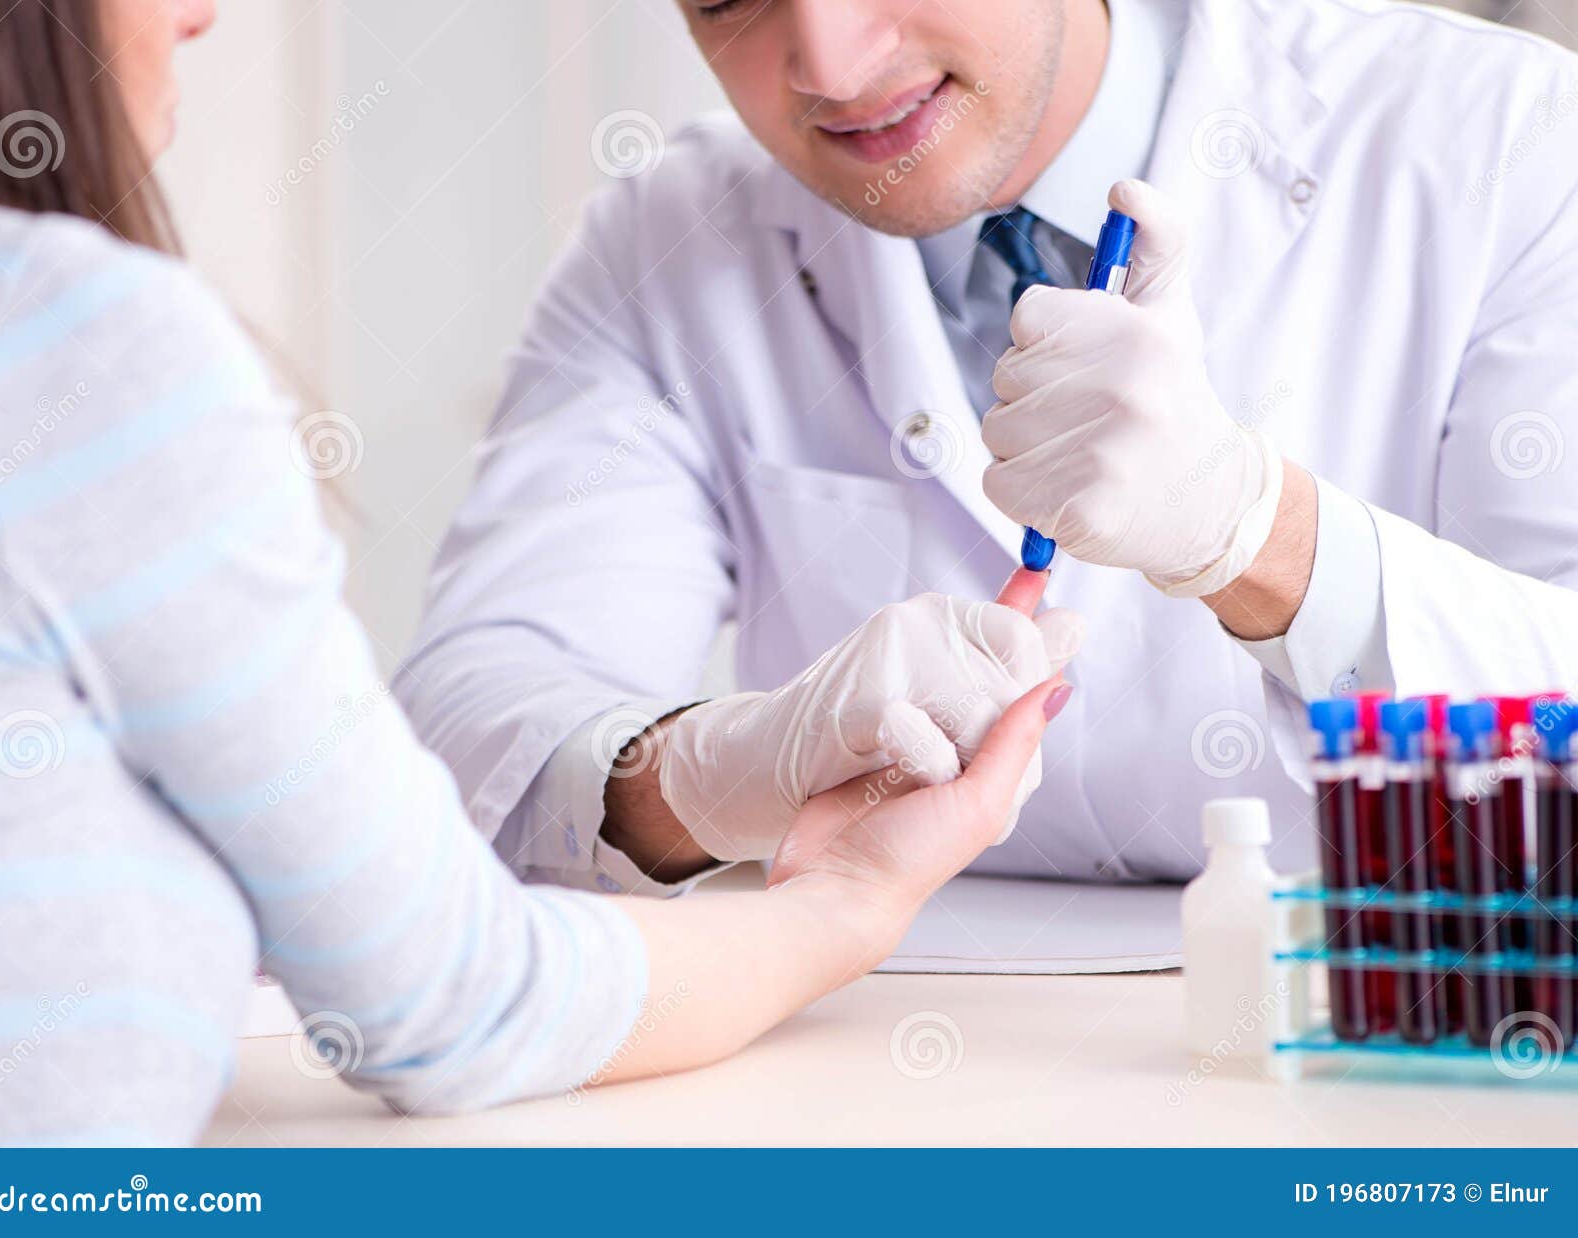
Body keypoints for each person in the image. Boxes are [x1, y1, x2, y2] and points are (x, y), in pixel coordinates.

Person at [0, 0, 1076, 1146]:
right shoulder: (72, 349)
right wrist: (730, 791)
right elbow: (448, 960)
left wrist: (1271, 545)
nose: (828, 61)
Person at [401, 0, 1578, 895]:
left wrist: (1260, 533)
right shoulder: (671, 233)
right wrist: (704, 772)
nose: (828, 65)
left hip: (1387, 1081)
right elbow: (466, 719)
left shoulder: (1509, 143)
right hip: (887, 1092)